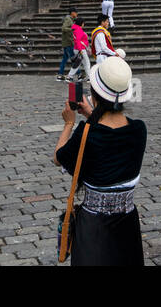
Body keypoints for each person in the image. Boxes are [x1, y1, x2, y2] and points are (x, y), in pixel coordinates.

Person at [53, 55, 146, 266]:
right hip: (127, 223)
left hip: (95, 227)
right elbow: (111, 133)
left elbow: (59, 158)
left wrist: (69, 124)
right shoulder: (139, 130)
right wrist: (92, 114)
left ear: (94, 95)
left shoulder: (87, 132)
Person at [58, 8, 80, 81]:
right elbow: (64, 28)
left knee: (65, 59)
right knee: (74, 59)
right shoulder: (68, 19)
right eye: (76, 12)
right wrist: (73, 29)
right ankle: (79, 74)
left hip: (66, 42)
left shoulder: (70, 19)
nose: (77, 14)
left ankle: (60, 75)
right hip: (69, 42)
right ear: (72, 13)